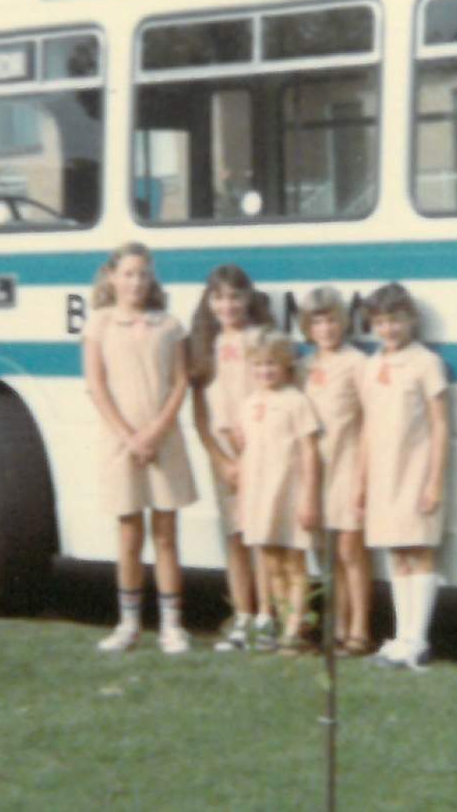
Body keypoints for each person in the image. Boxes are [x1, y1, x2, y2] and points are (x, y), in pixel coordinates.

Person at [82, 242, 198, 654]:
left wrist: (155, 432)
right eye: (128, 274)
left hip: (162, 441)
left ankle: (172, 625)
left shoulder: (169, 325)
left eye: (143, 274)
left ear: (152, 280)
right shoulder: (99, 324)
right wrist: (129, 437)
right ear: (112, 277)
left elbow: (181, 382)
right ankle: (128, 623)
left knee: (165, 533)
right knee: (129, 533)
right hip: (120, 444)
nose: (135, 282)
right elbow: (96, 386)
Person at [358, 282, 450, 671]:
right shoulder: (371, 365)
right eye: (380, 322)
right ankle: (400, 636)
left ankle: (418, 639)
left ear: (410, 319)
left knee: (419, 548)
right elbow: (366, 425)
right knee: (397, 552)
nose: (389, 329)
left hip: (414, 469)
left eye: (395, 320)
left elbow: (441, 424)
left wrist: (434, 481)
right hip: (383, 473)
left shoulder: (426, 363)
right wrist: (361, 482)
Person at [188, 263, 274, 651]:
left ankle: (267, 617)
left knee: (263, 536)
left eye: (236, 296)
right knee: (235, 537)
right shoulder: (205, 347)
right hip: (223, 456)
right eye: (220, 297)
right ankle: (241, 614)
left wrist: (256, 450)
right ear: (209, 302)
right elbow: (201, 414)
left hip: (261, 450)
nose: (228, 305)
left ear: (248, 299)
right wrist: (220, 458)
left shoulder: (262, 339)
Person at [298, 286, 373, 656]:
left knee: (350, 551)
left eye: (330, 320)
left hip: (348, 465)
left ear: (342, 322)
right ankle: (337, 627)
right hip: (316, 471)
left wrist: (362, 479)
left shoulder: (357, 362)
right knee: (326, 554)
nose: (325, 328)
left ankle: (360, 629)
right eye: (317, 321)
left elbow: (371, 420)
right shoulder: (306, 366)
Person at [239, 332, 322, 654]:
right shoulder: (250, 403)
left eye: (271, 364)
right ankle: (282, 619)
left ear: (286, 365)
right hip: (260, 496)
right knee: (271, 562)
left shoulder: (296, 401)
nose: (265, 371)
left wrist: (310, 498)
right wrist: (245, 499)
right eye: (258, 365)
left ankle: (295, 628)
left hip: (289, 493)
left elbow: (309, 451)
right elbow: (248, 454)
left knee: (293, 561)